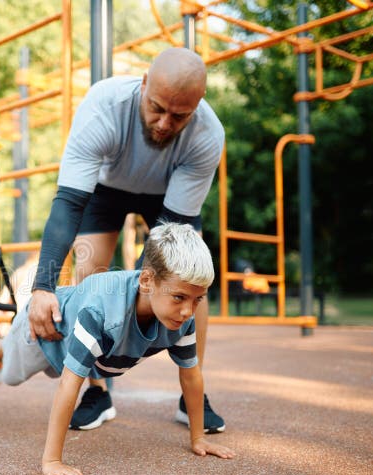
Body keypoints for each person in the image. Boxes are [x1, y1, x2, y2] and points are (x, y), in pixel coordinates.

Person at [27, 47, 226, 433]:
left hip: (170, 197)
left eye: (179, 115)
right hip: (106, 187)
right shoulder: (103, 105)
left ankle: (192, 393)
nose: (165, 123)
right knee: (89, 271)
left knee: (189, 285)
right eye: (157, 107)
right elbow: (68, 204)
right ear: (144, 84)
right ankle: (97, 391)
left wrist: (145, 302)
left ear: (197, 106)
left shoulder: (207, 135)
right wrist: (41, 286)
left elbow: (170, 243)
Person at [0, 223, 236, 475]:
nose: (188, 311)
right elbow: (69, 383)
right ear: (147, 282)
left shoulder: (181, 319)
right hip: (48, 330)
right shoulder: (102, 312)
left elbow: (191, 376)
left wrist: (197, 438)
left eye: (198, 299)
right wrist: (52, 460)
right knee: (9, 374)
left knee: (40, 363)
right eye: (179, 297)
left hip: (86, 347)